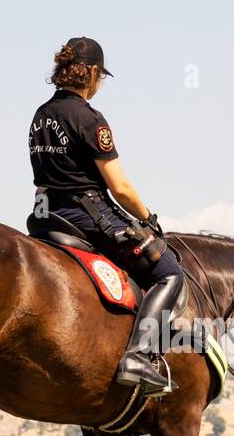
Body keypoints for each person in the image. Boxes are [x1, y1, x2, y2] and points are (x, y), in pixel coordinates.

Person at [27, 37, 186, 397]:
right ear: (94, 73)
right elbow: (120, 188)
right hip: (86, 214)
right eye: (102, 78)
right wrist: (149, 218)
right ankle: (139, 356)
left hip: (44, 214)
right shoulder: (89, 118)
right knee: (169, 273)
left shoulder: (41, 116)